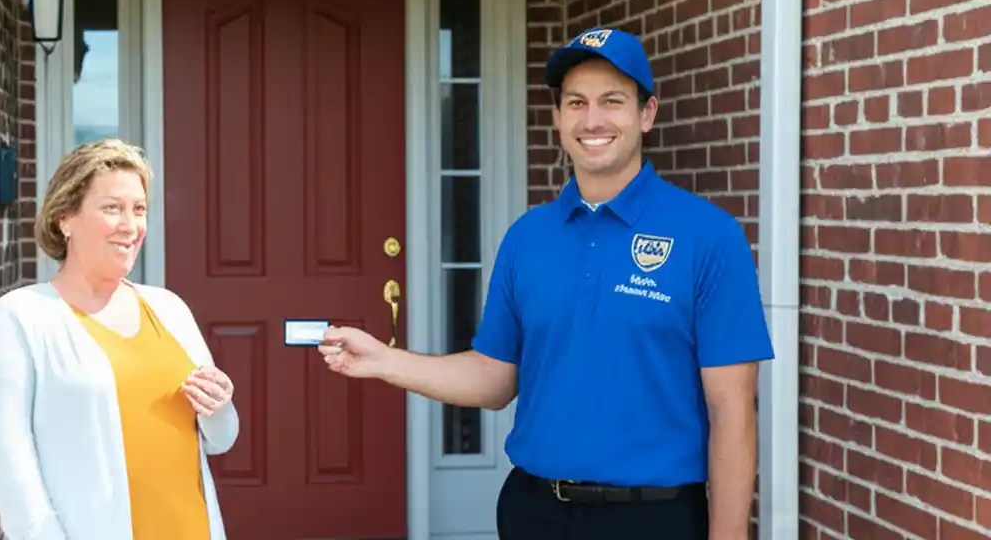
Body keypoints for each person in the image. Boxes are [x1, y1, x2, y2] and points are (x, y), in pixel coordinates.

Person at [321, 28, 774, 540]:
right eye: (576, 103)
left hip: (654, 517)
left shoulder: (708, 236)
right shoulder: (528, 237)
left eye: (613, 101)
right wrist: (384, 360)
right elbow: (495, 379)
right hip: (534, 511)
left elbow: (732, 409)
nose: (593, 119)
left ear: (647, 113)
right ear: (558, 118)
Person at [0, 139, 239, 540]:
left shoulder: (169, 309)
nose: (130, 226)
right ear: (65, 217)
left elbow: (221, 439)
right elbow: (12, 474)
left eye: (139, 209)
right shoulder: (22, 318)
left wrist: (219, 407)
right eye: (112, 208)